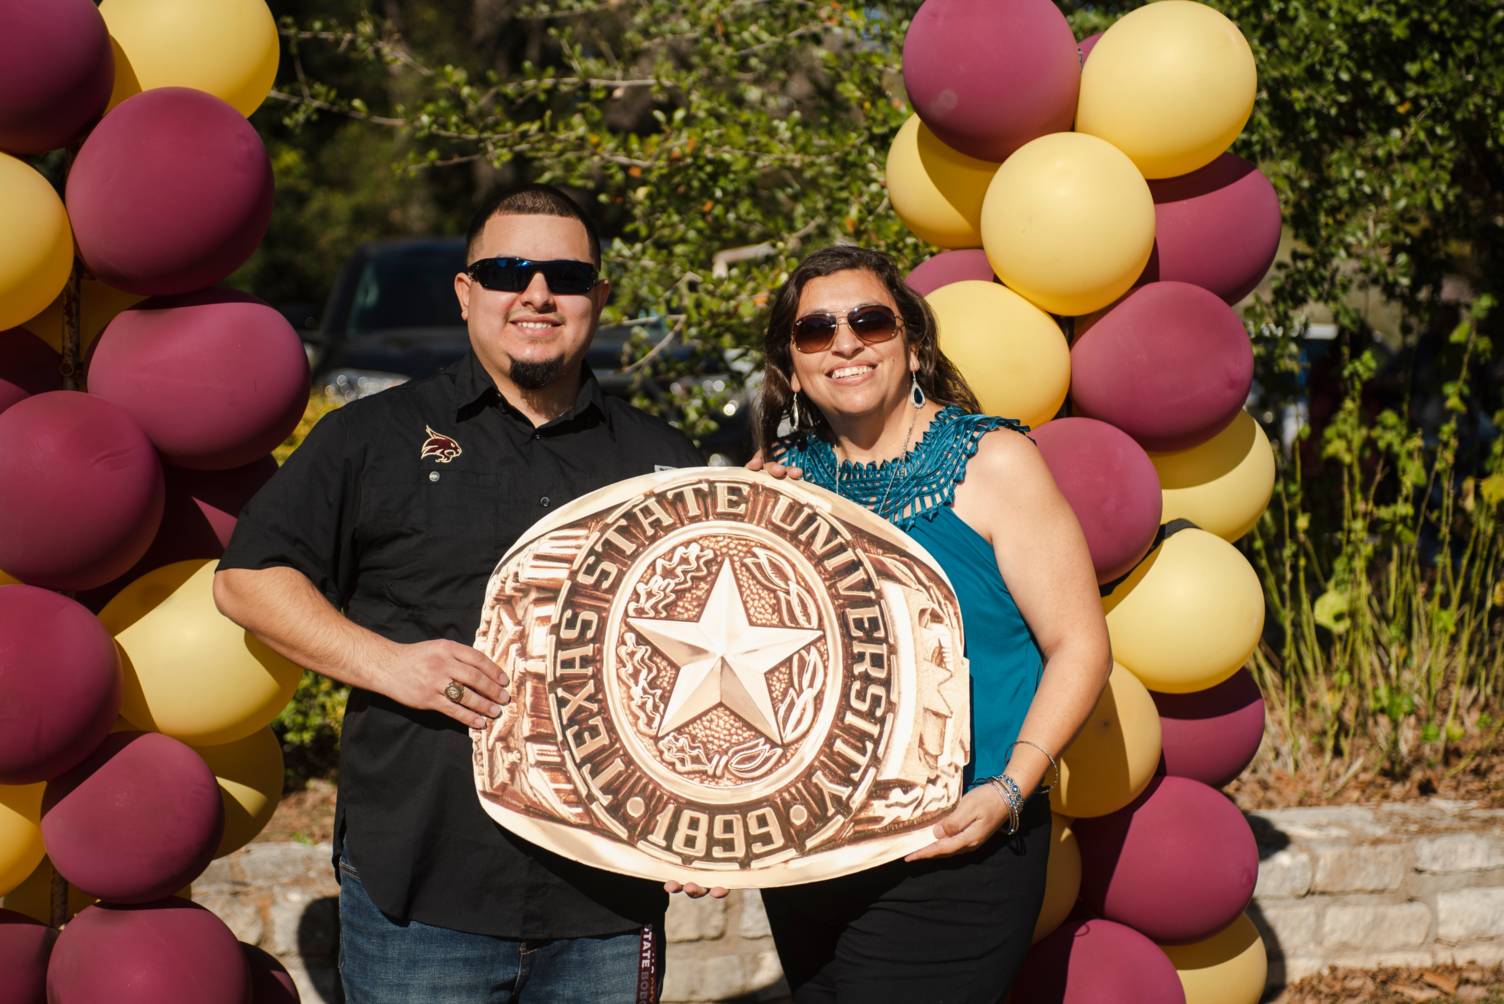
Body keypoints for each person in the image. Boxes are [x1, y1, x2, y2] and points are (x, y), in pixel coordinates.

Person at [213, 184, 704, 1003]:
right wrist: (389, 664)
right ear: (467, 291)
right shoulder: (371, 436)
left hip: (608, 904)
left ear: (600, 298)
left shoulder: (664, 461)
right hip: (423, 899)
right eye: (509, 270)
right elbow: (249, 581)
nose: (537, 294)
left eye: (565, 276)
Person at [750, 245, 1112, 1002]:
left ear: (912, 345)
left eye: (868, 321)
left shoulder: (996, 463)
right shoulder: (778, 482)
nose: (844, 342)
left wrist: (1012, 789)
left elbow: (1079, 646)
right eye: (815, 330)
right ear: (793, 364)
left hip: (956, 842)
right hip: (812, 853)